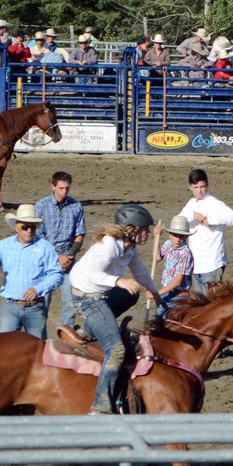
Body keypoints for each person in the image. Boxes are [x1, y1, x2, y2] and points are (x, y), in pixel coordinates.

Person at [67, 204, 163, 414]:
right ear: (132, 230)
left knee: (133, 292)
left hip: (102, 293)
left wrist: (155, 292)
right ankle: (100, 406)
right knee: (116, 350)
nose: (148, 233)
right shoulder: (107, 247)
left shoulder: (130, 248)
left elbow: (140, 271)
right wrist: (119, 280)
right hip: (87, 298)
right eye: (145, 229)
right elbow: (93, 275)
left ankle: (88, 330)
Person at [0, 204, 64, 338]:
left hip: (35, 307)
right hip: (10, 307)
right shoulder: (3, 245)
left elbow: (57, 275)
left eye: (33, 227)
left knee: (37, 350)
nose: (29, 230)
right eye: (25, 227)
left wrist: (38, 289)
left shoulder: (46, 247)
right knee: (4, 347)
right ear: (17, 228)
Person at [35, 171, 87, 332]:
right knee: (42, 301)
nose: (64, 192)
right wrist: (57, 257)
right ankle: (38, 335)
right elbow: (38, 237)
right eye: (61, 188)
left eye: (67, 188)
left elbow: (79, 234)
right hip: (46, 259)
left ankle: (66, 334)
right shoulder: (41, 206)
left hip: (68, 258)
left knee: (70, 302)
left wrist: (69, 256)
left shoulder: (76, 206)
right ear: (53, 186)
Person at [178, 168, 233, 294]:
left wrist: (210, 220)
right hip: (195, 263)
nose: (199, 191)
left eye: (202, 186)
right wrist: (193, 214)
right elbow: (179, 220)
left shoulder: (215, 203)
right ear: (190, 187)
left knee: (212, 301)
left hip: (212, 262)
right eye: (195, 187)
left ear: (207, 185)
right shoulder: (191, 204)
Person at [157, 216, 194, 304]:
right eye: (175, 235)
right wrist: (156, 238)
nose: (178, 239)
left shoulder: (185, 253)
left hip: (178, 296)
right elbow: (157, 258)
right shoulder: (168, 244)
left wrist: (157, 293)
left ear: (186, 237)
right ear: (170, 234)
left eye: (182, 236)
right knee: (160, 315)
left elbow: (177, 281)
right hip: (166, 291)